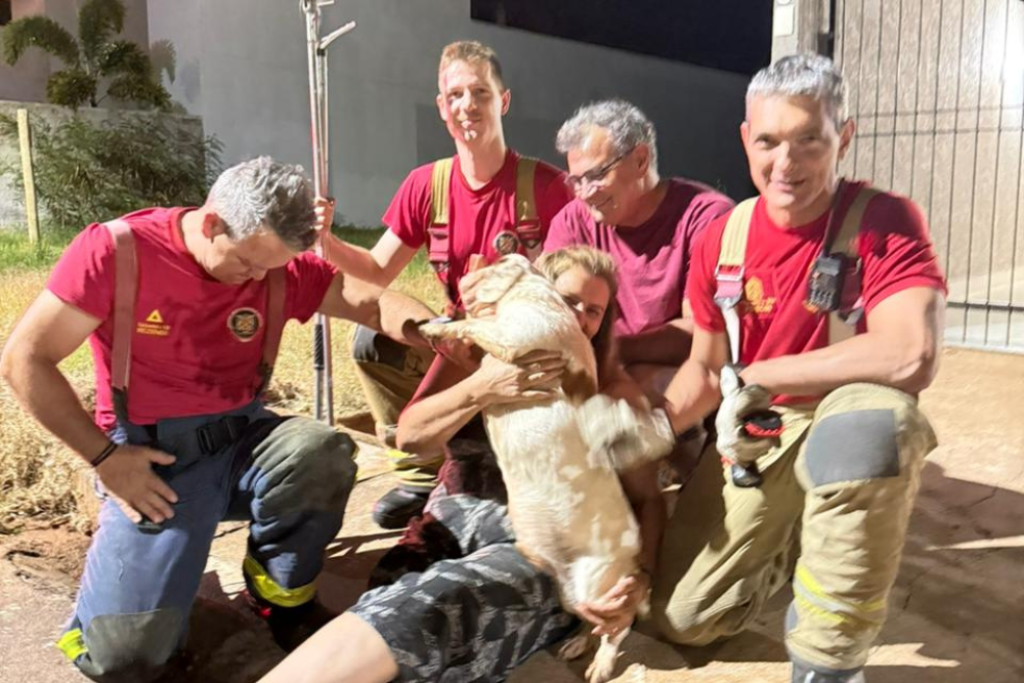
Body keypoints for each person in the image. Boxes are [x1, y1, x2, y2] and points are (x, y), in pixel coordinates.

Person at [0, 157, 438, 683]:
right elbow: (24, 358)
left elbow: (370, 301)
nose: (259, 278)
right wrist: (106, 459)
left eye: (272, 268)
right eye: (250, 263)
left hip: (241, 438)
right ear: (211, 223)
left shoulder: (277, 264)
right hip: (150, 460)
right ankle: (127, 601)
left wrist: (430, 328)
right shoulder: (117, 252)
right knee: (125, 658)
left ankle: (280, 599)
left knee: (319, 452)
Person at [652, 54, 946, 683]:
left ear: (844, 136)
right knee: (684, 617)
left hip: (840, 407)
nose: (787, 163)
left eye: (809, 139)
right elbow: (705, 369)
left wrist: (760, 375)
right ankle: (792, 545)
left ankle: (827, 661)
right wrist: (645, 433)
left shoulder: (883, 220)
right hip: (759, 431)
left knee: (870, 431)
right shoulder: (721, 238)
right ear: (745, 140)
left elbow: (909, 354)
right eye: (769, 141)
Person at [258, 246, 665, 683]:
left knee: (430, 611)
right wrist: (483, 388)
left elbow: (647, 498)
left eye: (594, 310)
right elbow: (410, 437)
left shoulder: (606, 390)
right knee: (388, 591)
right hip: (458, 509)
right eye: (567, 301)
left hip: (545, 544)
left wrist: (640, 577)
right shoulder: (475, 350)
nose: (580, 317)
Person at [315, 40, 572, 529]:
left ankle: (488, 459)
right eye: (455, 95)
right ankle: (421, 472)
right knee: (372, 339)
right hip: (462, 342)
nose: (467, 106)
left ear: (504, 100)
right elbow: (375, 270)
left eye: (480, 92)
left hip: (524, 351)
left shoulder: (547, 188)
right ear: (441, 107)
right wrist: (324, 241)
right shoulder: (426, 186)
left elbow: (580, 289)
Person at [543, 99, 733, 480]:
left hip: (681, 379)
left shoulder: (705, 217)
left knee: (640, 384)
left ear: (641, 160)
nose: (584, 192)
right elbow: (544, 308)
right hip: (598, 367)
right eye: (575, 179)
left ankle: (677, 473)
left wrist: (613, 351)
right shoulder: (573, 222)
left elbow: (702, 334)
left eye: (595, 175)